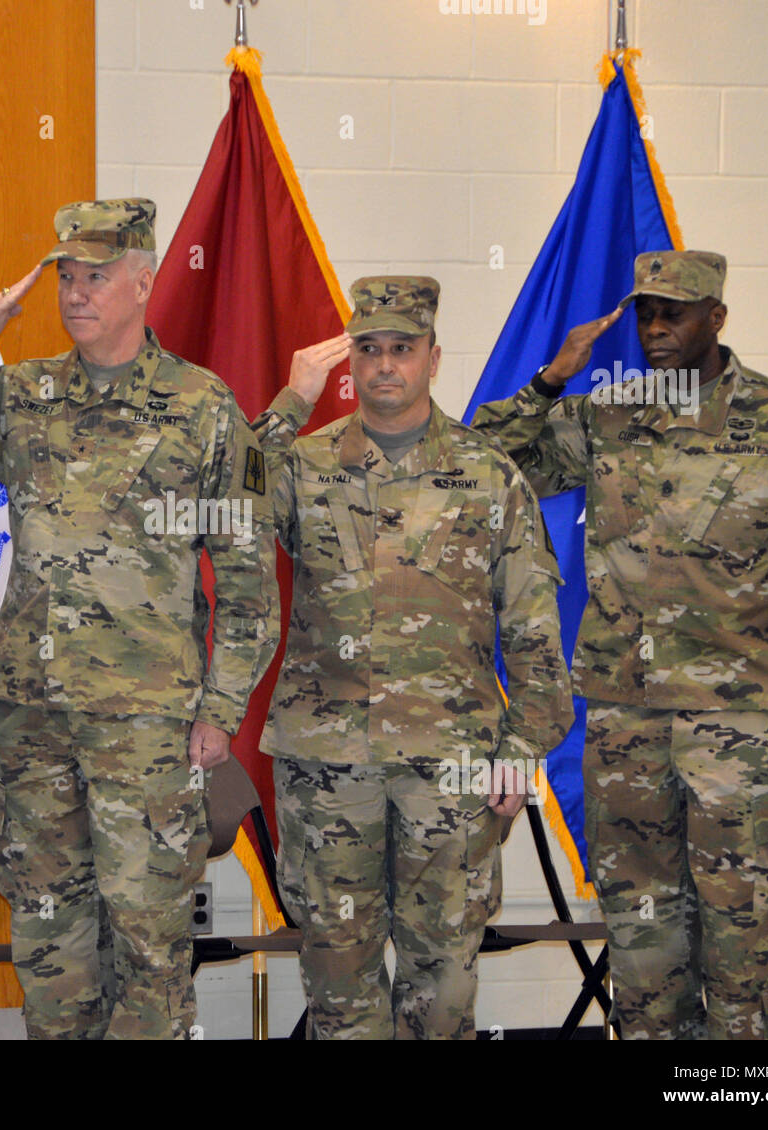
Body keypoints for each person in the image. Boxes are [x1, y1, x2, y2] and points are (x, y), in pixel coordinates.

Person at [0, 198, 279, 1039]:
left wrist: (221, 707)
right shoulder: (22, 394)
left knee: (147, 930)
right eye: (66, 274)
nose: (75, 291)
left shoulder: (205, 409)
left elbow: (247, 577)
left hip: (149, 715)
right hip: (37, 707)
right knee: (47, 924)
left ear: (143, 282)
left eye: (96, 274)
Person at [471, 249, 768, 1039]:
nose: (656, 328)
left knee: (740, 956)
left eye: (674, 312)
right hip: (625, 722)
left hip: (742, 728)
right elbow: (486, 464)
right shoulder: (608, 414)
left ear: (717, 317)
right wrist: (550, 378)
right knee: (642, 957)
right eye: (646, 313)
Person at [251, 276, 573, 1038]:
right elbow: (221, 505)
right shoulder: (302, 464)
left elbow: (532, 626)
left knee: (444, 982)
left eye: (402, 348)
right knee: (338, 979)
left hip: (453, 767)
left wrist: (521, 748)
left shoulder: (489, 475)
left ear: (434, 358)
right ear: (348, 363)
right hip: (328, 766)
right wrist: (288, 404)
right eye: (368, 350)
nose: (384, 365)